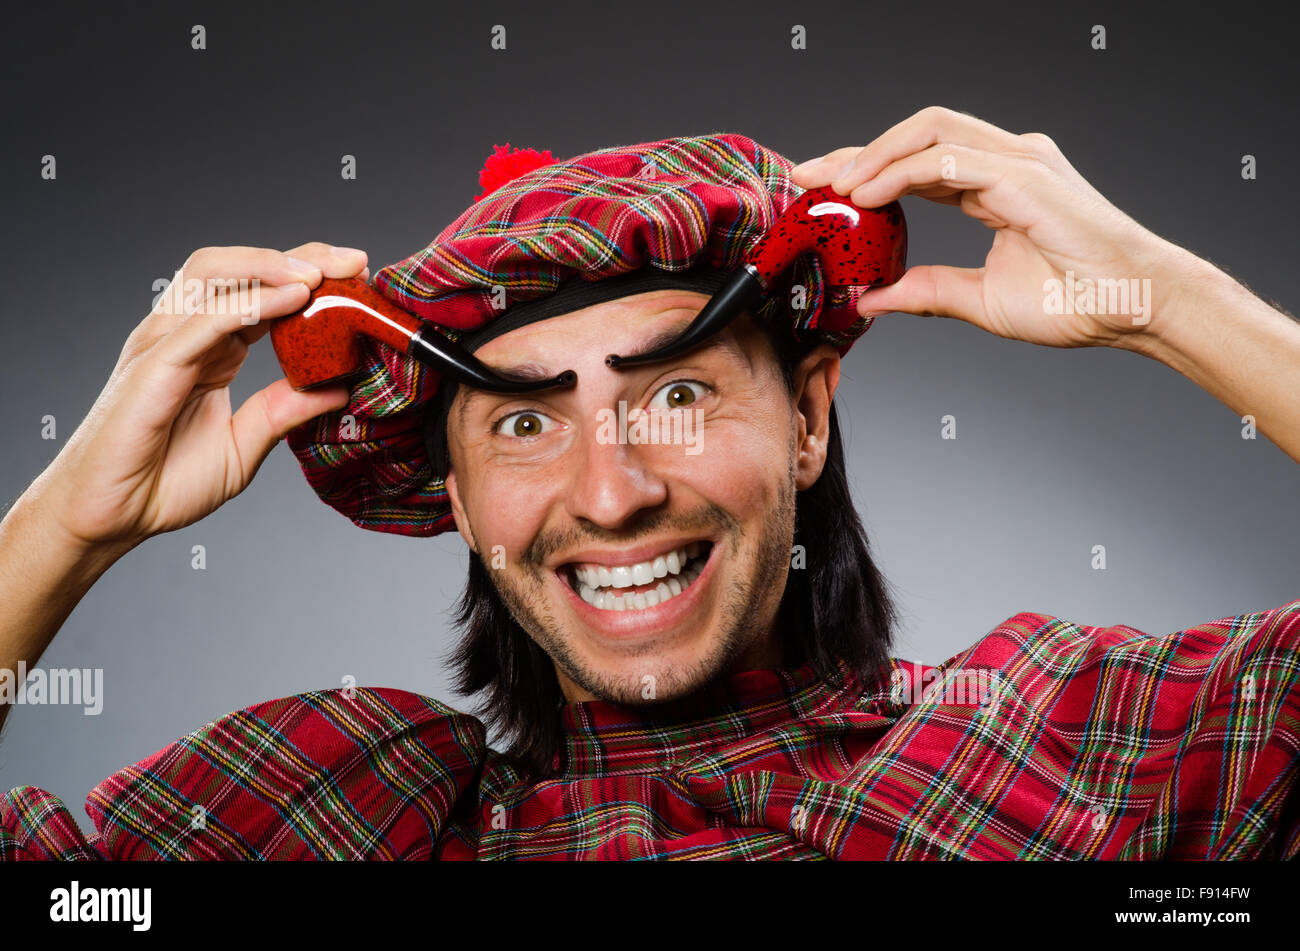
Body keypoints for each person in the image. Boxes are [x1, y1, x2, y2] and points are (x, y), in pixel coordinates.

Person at [2, 108, 1298, 860]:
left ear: (805, 420)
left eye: (676, 394)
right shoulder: (349, 814)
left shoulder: (1098, 746)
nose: (610, 492)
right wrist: (67, 526)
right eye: (520, 424)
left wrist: (1163, 303)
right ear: (452, 491)